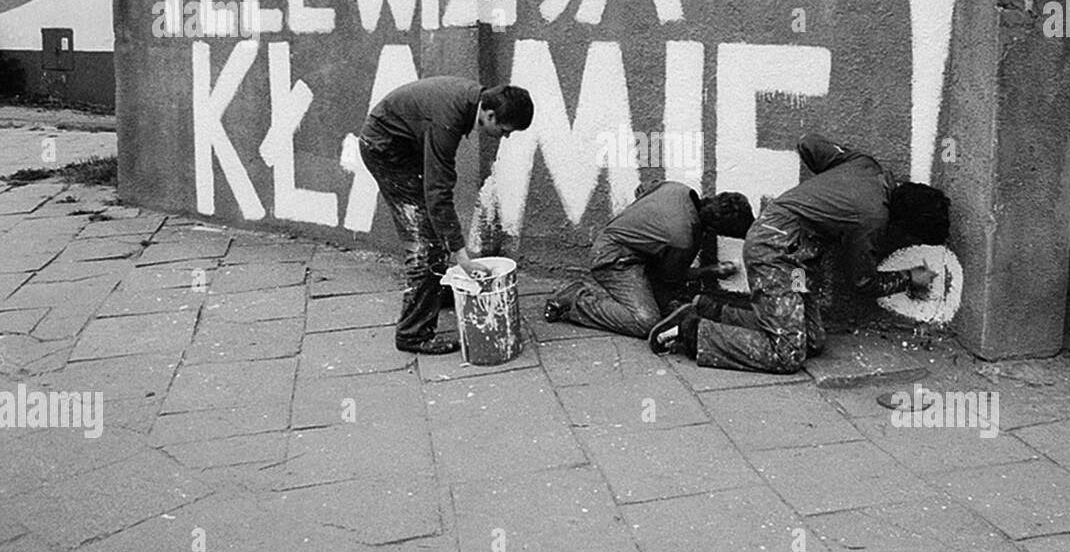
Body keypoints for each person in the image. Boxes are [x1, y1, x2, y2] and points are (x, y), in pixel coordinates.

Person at [649, 132, 950, 374]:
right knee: (787, 354)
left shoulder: (866, 165)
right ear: (904, 223)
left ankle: (709, 309)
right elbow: (863, 283)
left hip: (796, 267)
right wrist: (909, 278)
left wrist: (830, 190)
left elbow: (808, 143)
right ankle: (688, 331)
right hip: (774, 252)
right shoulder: (872, 220)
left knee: (812, 339)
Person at [358, 77, 533, 355]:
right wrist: (463, 258)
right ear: (489, 114)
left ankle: (435, 294)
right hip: (385, 151)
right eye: (504, 129)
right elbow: (437, 193)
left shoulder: (472, 100)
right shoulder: (447, 121)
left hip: (402, 143)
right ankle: (412, 334)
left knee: (433, 232)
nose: (505, 136)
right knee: (425, 246)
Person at [542, 181, 754, 338]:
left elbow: (642, 188)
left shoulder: (679, 189)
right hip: (613, 261)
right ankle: (576, 301)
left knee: (670, 304)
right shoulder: (683, 238)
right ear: (713, 229)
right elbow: (671, 277)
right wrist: (712, 271)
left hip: (624, 249)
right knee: (646, 322)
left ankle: (623, 296)